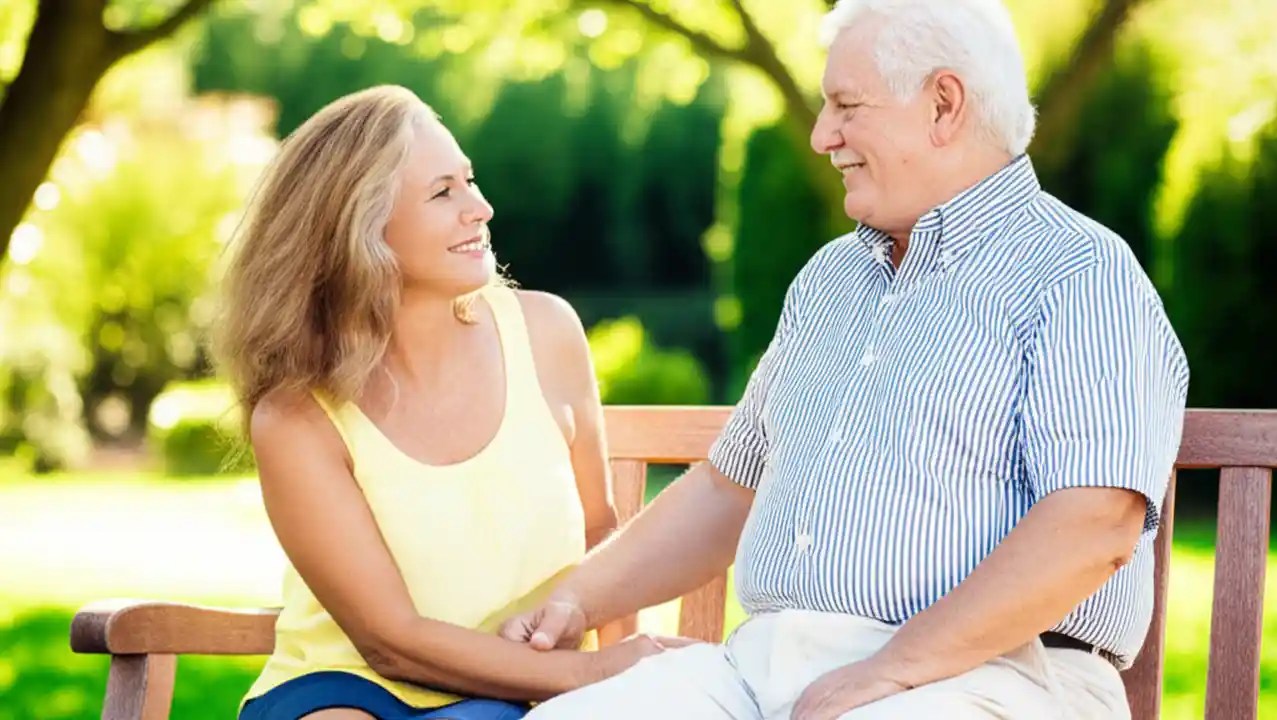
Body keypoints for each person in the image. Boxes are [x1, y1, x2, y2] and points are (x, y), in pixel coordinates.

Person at [501, 1, 1190, 718]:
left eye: (846, 105)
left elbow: (1096, 521)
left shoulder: (1079, 272)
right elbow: (727, 491)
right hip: (758, 670)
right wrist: (574, 599)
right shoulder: (831, 278)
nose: (822, 133)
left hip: (990, 674)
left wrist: (891, 669)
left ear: (943, 105)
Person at [215, 85, 666, 720]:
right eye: (442, 192)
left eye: (470, 180)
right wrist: (587, 670)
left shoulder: (547, 333)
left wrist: (623, 692)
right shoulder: (297, 416)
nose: (480, 208)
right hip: (348, 687)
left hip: (520, 692)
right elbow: (388, 641)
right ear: (360, 227)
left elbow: (600, 534)